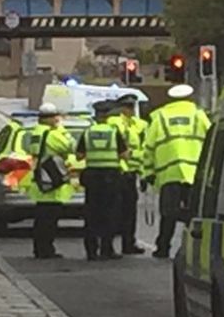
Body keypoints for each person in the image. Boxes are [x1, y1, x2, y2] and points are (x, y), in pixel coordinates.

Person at [142, 84, 211, 258]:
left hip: (169, 174)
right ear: (189, 98)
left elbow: (149, 147)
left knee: (168, 215)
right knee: (196, 216)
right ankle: (197, 251)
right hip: (194, 175)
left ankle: (163, 248)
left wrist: (148, 173)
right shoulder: (199, 115)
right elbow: (211, 141)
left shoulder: (160, 117)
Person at [77, 100, 129, 261]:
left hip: (92, 177)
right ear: (106, 116)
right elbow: (124, 155)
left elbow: (79, 155)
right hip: (111, 177)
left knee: (91, 214)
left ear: (95, 116)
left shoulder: (87, 132)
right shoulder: (114, 132)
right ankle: (107, 249)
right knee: (110, 214)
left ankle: (91, 251)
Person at [28, 103, 75, 259]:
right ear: (49, 119)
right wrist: (62, 129)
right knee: (49, 220)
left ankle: (40, 248)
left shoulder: (36, 132)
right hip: (51, 181)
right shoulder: (52, 134)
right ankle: (46, 250)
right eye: (55, 117)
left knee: (41, 219)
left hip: (40, 179)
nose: (57, 119)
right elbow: (70, 146)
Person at [108, 94, 149, 255]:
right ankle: (108, 245)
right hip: (118, 172)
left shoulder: (138, 125)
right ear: (121, 108)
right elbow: (119, 150)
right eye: (128, 106)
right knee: (115, 211)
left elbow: (143, 149)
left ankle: (128, 243)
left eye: (132, 106)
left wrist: (143, 173)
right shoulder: (114, 123)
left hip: (131, 174)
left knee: (129, 212)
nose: (131, 110)